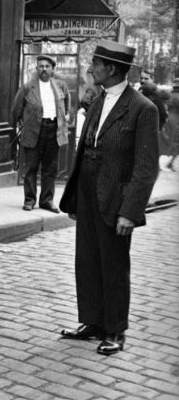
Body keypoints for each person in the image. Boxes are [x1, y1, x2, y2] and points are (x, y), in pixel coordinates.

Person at [59, 40, 160, 356]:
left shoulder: (143, 108)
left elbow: (145, 167)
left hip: (115, 198)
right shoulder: (98, 100)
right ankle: (92, 321)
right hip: (88, 193)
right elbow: (84, 149)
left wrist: (130, 211)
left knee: (114, 265)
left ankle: (115, 329)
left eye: (96, 65)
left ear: (112, 69)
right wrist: (75, 195)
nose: (91, 70)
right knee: (86, 260)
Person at [11, 55, 70, 213]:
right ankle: (29, 200)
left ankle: (47, 201)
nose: (44, 69)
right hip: (34, 131)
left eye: (47, 66)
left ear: (52, 69)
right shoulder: (28, 87)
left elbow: (66, 107)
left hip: (54, 130)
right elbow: (16, 109)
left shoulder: (61, 86)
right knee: (31, 167)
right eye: (41, 66)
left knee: (50, 168)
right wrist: (21, 126)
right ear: (36, 69)